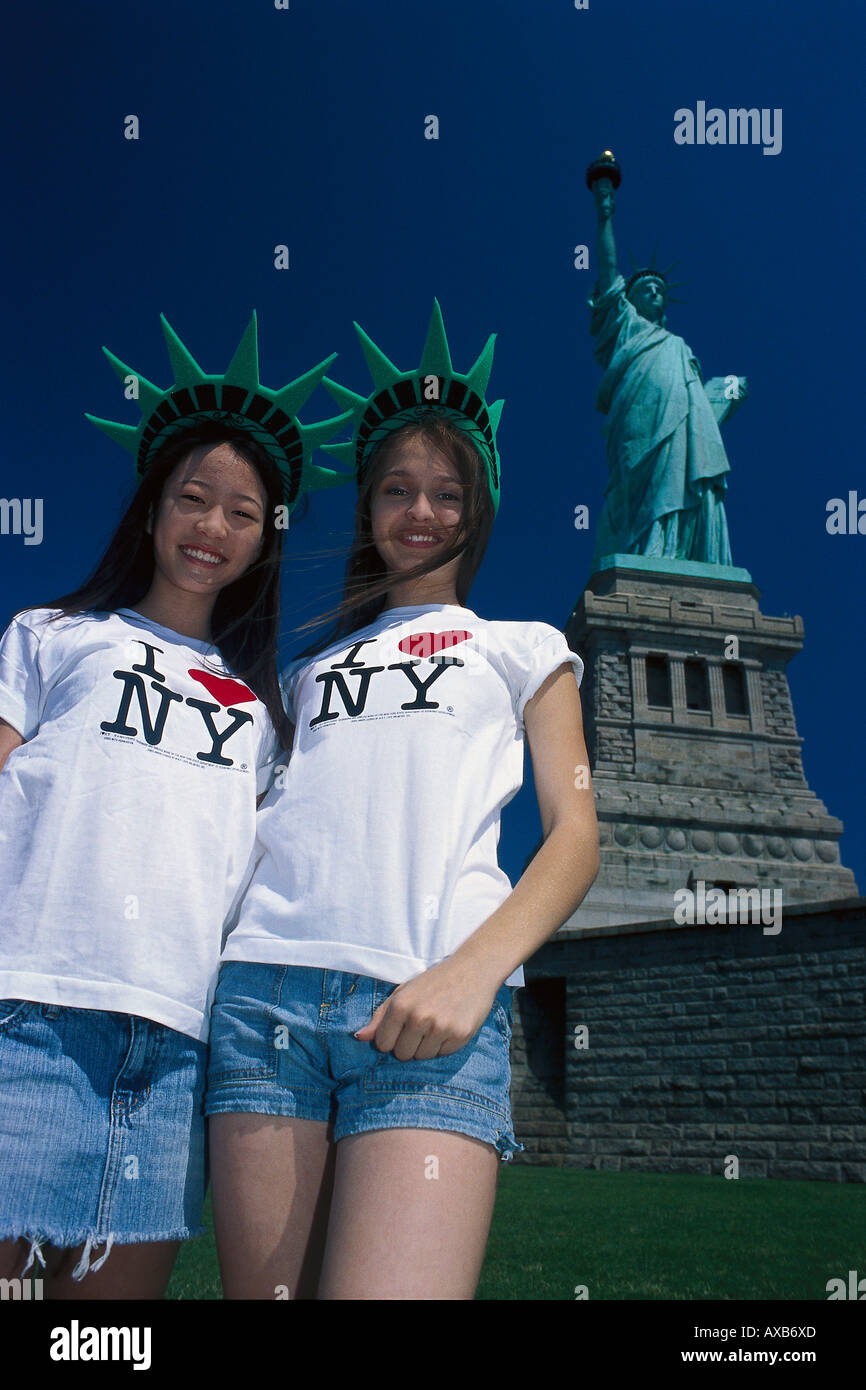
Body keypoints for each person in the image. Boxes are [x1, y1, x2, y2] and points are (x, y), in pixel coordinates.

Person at [205, 301, 601, 1300]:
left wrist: (471, 974)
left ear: (478, 508)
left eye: (444, 491)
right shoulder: (305, 672)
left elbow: (575, 837)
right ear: (368, 508)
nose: (419, 511)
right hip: (265, 1004)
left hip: (432, 1010)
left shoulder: (525, 649)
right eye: (395, 489)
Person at [0, 313, 350, 1299]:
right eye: (193, 499)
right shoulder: (51, 636)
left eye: (243, 514)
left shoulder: (268, 717)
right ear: (151, 509)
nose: (213, 526)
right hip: (27, 1013)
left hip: (176, 1049)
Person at [589, 172, 747, 569]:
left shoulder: (678, 346)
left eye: (659, 290)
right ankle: (645, 553)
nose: (654, 292)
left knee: (681, 471)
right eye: (645, 288)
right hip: (637, 420)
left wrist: (727, 392)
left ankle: (677, 552)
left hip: (683, 424)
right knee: (639, 484)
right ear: (629, 299)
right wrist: (604, 211)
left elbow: (706, 407)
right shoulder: (624, 325)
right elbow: (608, 269)